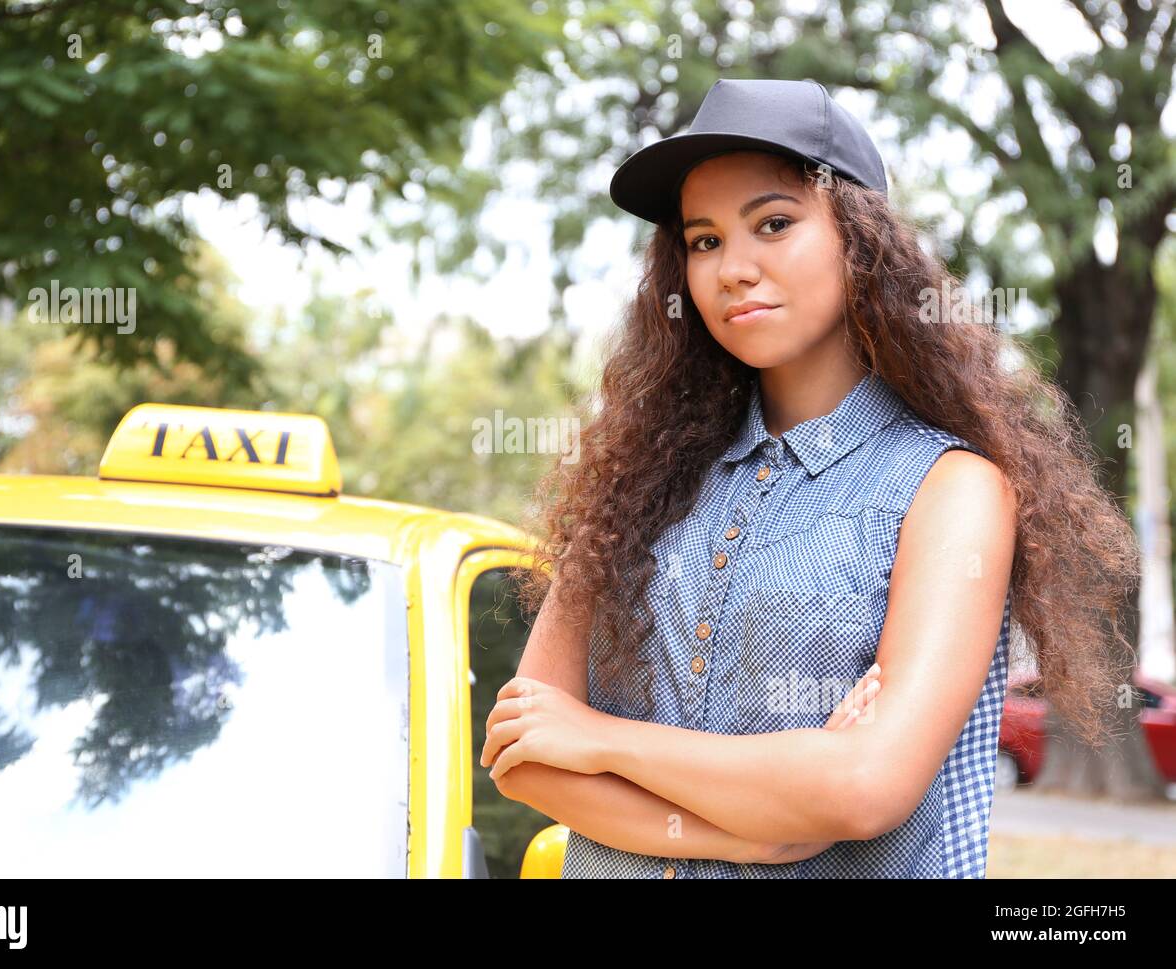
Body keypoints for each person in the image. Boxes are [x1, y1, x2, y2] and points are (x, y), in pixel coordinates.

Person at [481, 78, 1141, 878]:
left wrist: (601, 738)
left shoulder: (950, 489)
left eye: (774, 223)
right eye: (704, 240)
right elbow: (522, 754)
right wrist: (752, 829)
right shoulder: (637, 485)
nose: (733, 268)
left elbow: (866, 784)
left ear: (860, 241)